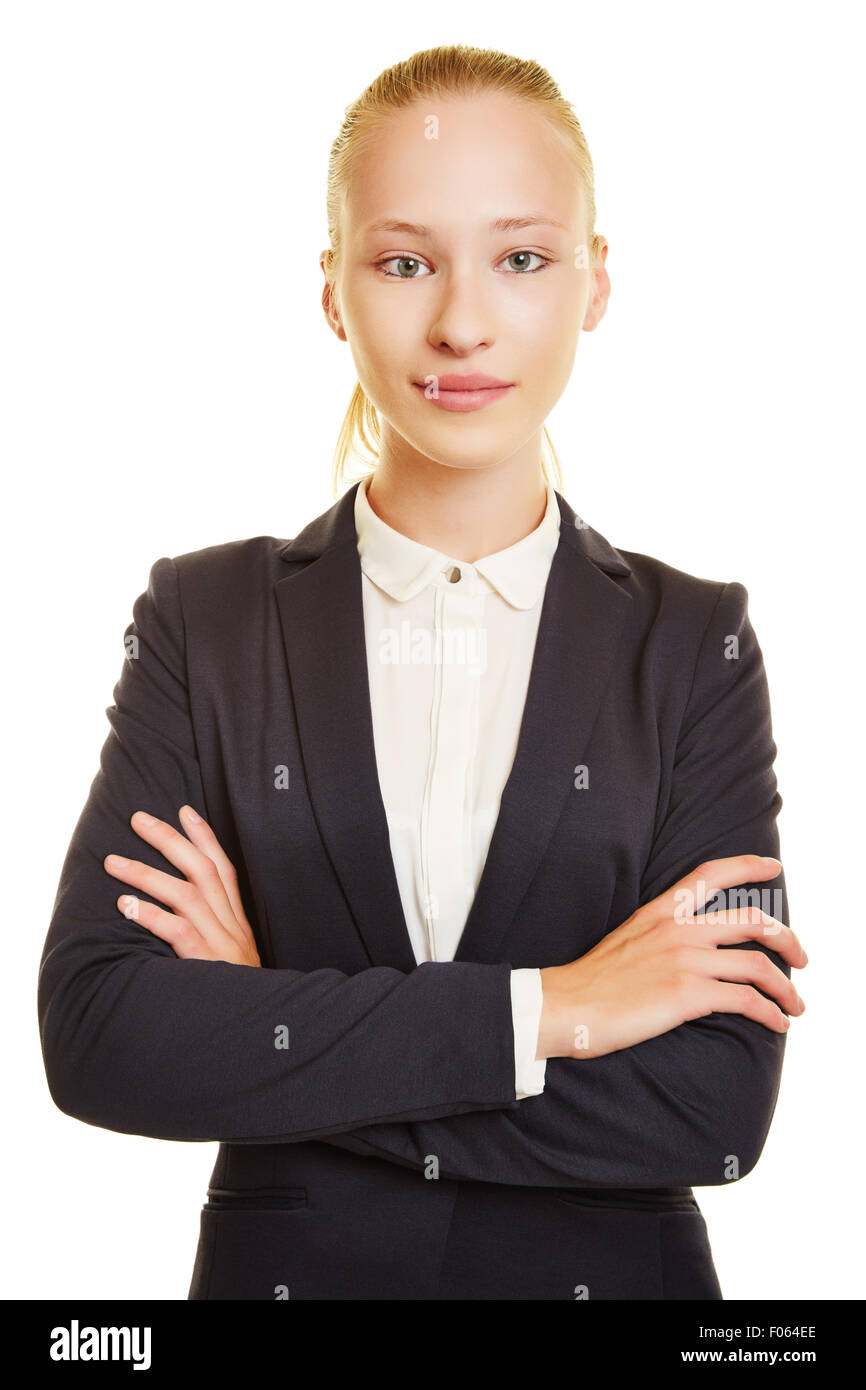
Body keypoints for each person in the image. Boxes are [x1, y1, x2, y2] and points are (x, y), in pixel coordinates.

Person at [38, 43, 807, 1301]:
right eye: (403, 261)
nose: (460, 320)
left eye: (520, 257)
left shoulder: (692, 644)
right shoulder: (206, 619)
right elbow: (102, 1036)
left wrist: (272, 1018)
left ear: (593, 282)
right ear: (334, 289)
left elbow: (709, 1103)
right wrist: (554, 1009)